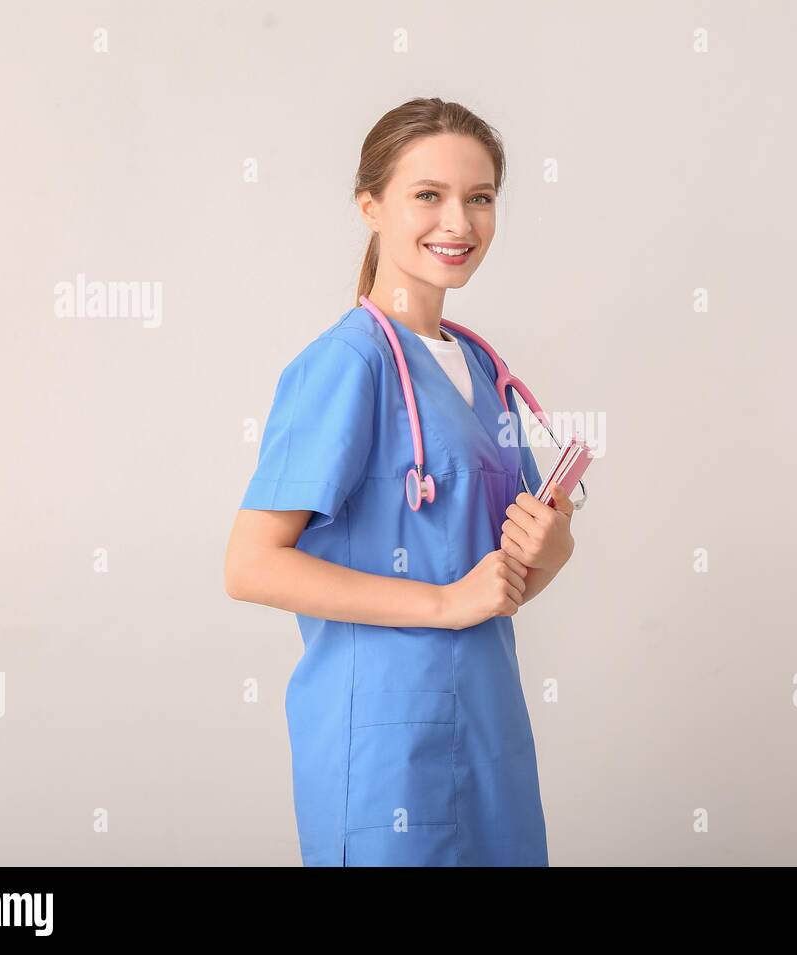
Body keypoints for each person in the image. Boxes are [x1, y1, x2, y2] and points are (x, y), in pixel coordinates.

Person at [223, 97, 576, 866]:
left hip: (490, 734)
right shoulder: (349, 365)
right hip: (389, 750)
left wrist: (550, 548)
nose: (459, 221)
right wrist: (443, 603)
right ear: (370, 205)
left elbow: (493, 579)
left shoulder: (483, 368)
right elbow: (250, 566)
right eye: (429, 195)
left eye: (479, 198)